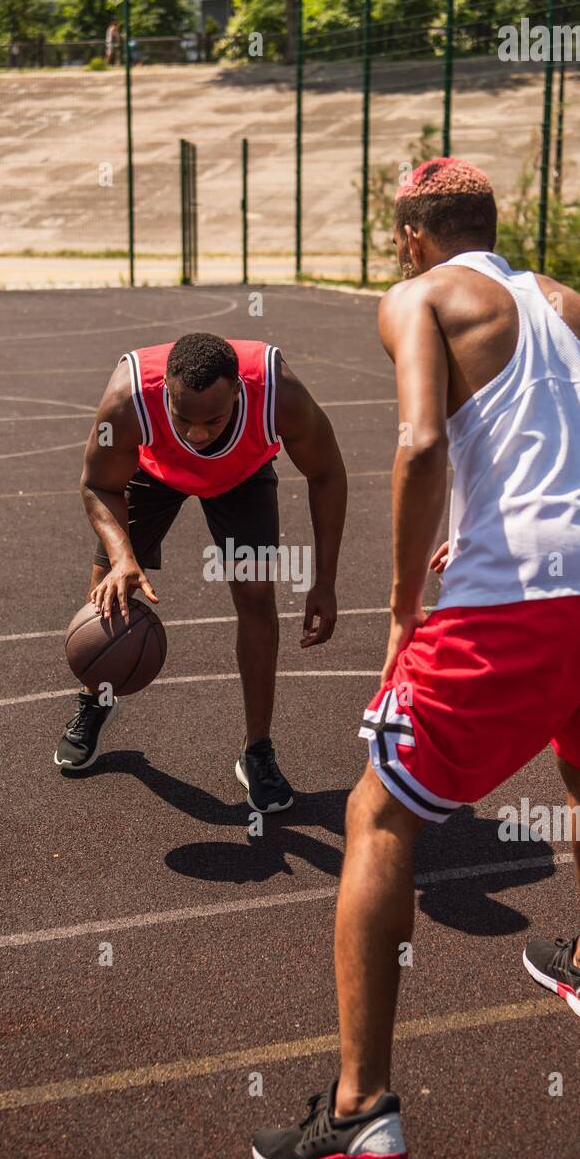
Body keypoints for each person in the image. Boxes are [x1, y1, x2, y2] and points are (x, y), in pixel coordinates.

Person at [252, 157, 580, 1159]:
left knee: (379, 816)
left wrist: (403, 608)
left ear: (409, 235)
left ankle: (359, 1113)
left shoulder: (418, 297)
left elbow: (423, 443)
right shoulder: (565, 298)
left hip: (522, 595)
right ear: (495, 221)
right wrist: (497, 524)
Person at [54, 332, 347, 813]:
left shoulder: (279, 392)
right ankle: (97, 699)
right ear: (164, 391)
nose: (196, 433)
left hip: (242, 476)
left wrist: (326, 581)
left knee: (256, 599)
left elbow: (327, 474)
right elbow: (97, 484)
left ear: (240, 392)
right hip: (152, 473)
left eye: (212, 419)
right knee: (106, 591)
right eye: (182, 417)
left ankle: (257, 752)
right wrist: (123, 555)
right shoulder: (129, 399)